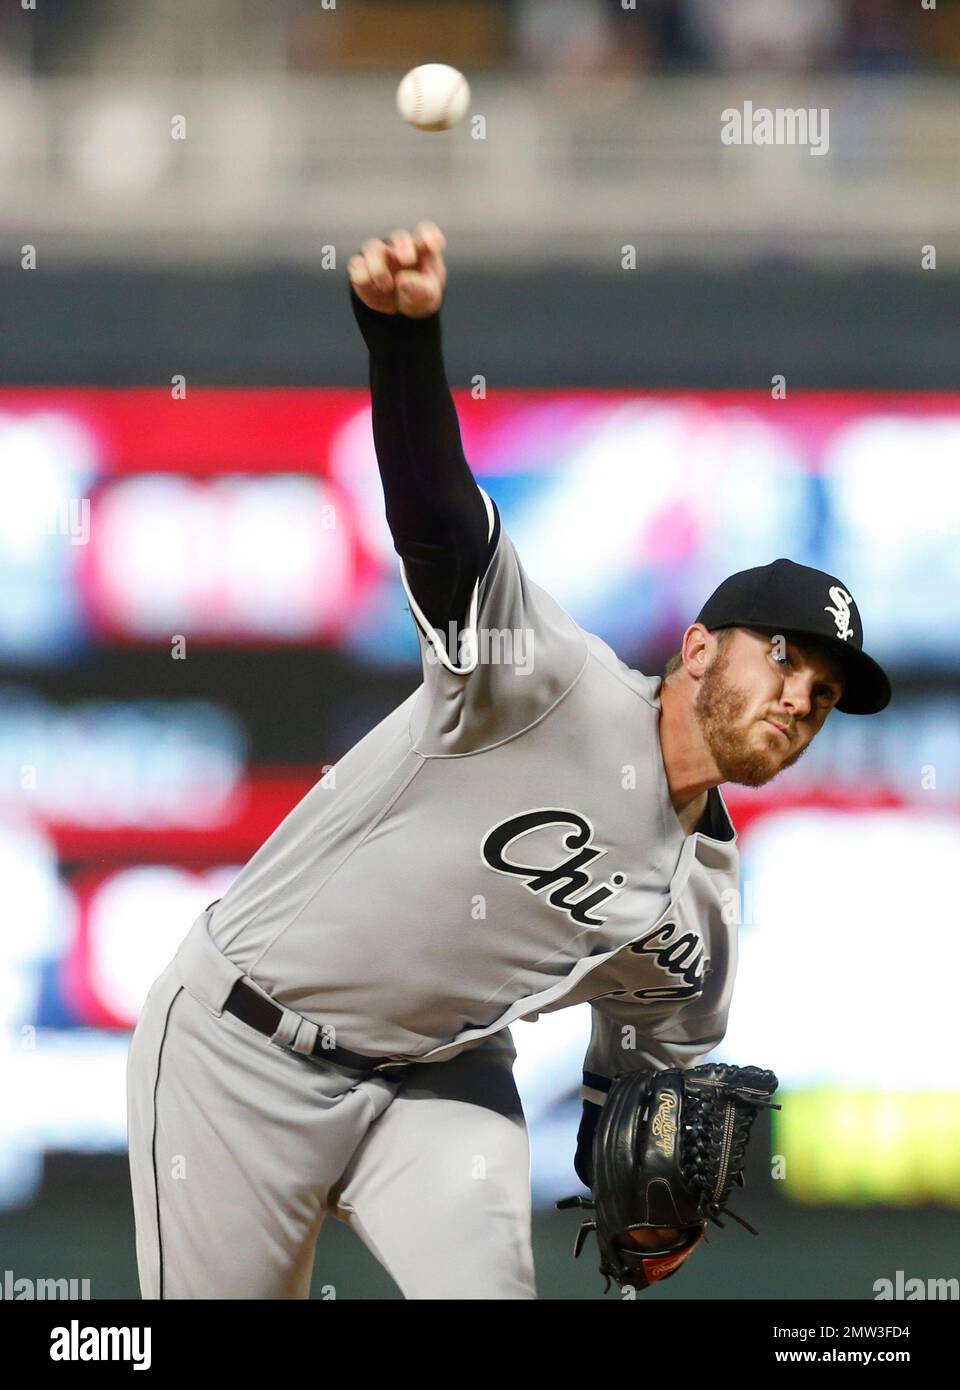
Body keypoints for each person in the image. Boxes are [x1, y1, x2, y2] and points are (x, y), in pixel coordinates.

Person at [125, 221, 891, 1299]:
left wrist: (635, 1191)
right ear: (700, 646)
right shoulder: (544, 678)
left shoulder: (706, 913)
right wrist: (404, 344)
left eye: (825, 692)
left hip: (438, 1081)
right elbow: (439, 522)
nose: (804, 696)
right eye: (787, 658)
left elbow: (634, 1097)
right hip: (240, 1041)